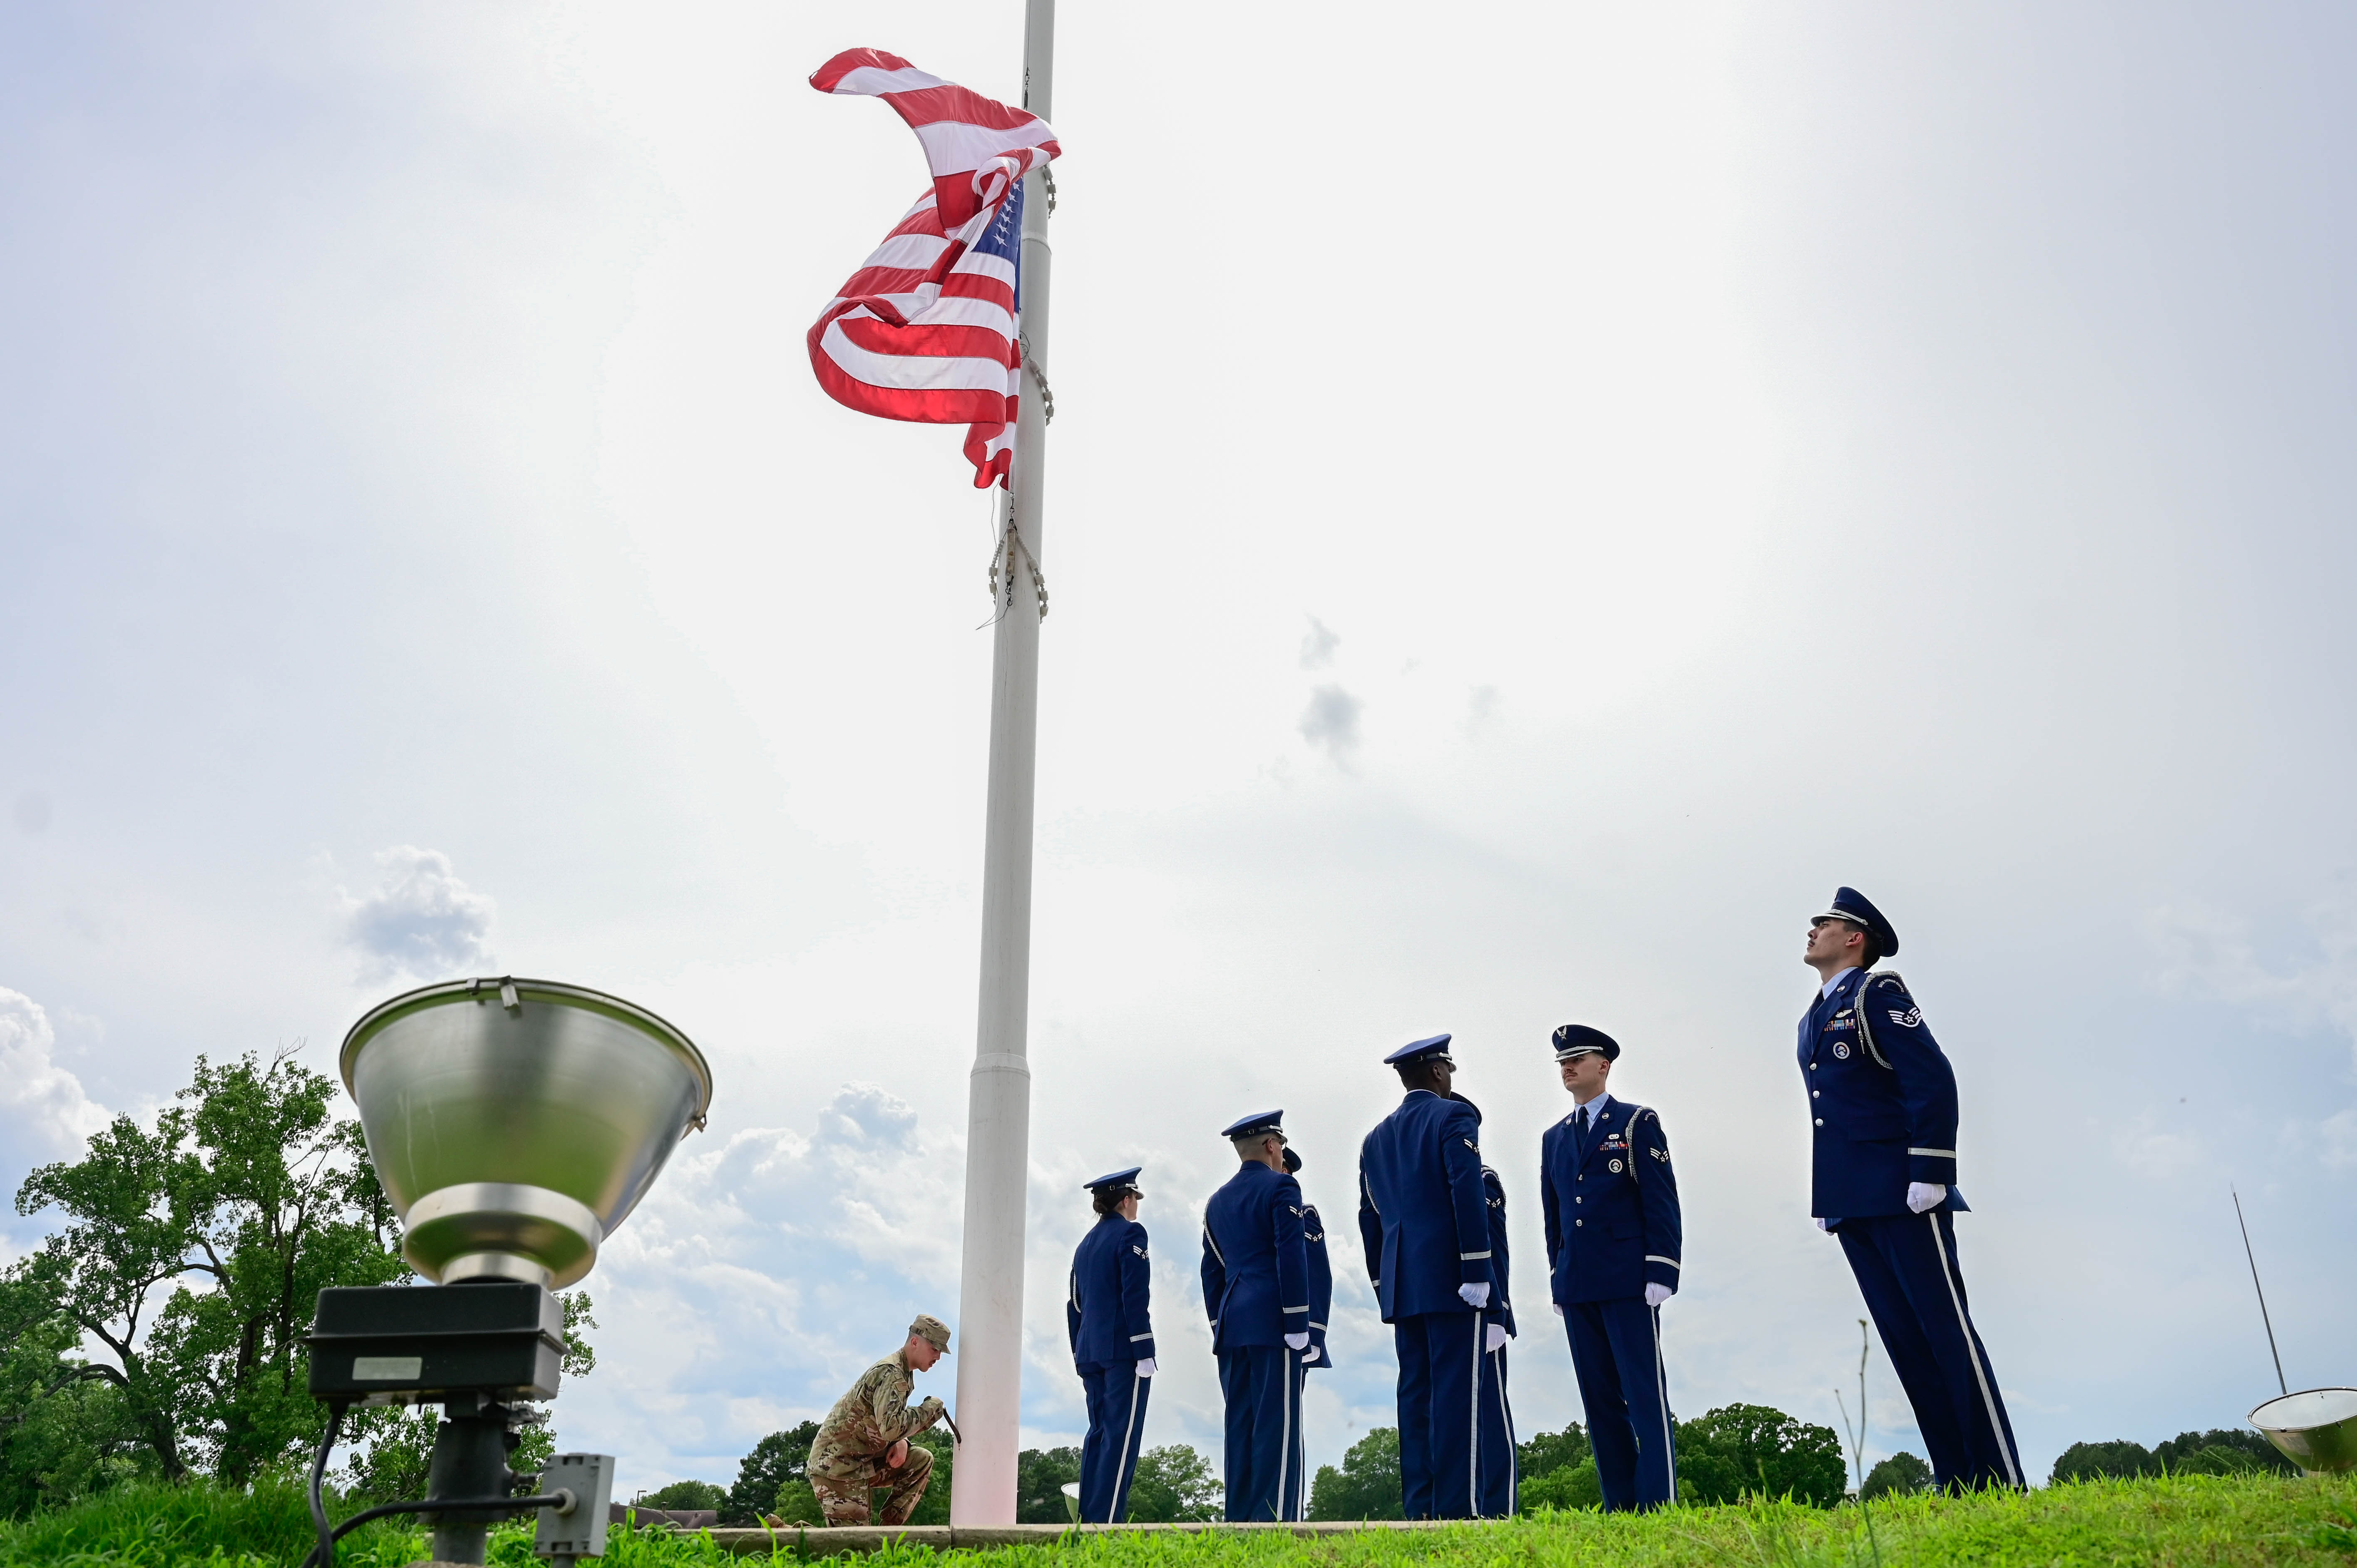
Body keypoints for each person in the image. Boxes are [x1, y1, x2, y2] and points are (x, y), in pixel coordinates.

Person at [1801, 888, 2022, 1490]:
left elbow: (1931, 1077)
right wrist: (1828, 1197)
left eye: (1825, 921)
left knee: (1944, 1333)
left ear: (1855, 938)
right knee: (1905, 1344)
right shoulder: (1813, 1015)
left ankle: (1998, 1476)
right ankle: (1956, 1477)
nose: (1813, 927)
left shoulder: (1877, 993)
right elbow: (1829, 1112)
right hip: (1853, 1202)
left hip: (1904, 1192)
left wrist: (1930, 1171)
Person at [1539, 1025, 1682, 1511]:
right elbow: (1553, 1215)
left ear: (1603, 1065)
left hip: (1628, 1280)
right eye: (1562, 1060)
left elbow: (1660, 1198)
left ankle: (1658, 1502)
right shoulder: (1553, 1138)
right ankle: (1619, 1504)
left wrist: (1662, 1269)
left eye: (1577, 1058)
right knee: (1598, 1400)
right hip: (1579, 1281)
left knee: (1643, 1394)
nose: (1567, 1066)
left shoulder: (1634, 1121)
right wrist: (1557, 1277)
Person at [1356, 1034, 1494, 1520]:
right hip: (1450, 1276)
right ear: (1437, 1072)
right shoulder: (1454, 1117)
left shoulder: (1374, 1138)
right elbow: (1465, 1192)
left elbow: (1369, 1217)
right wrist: (1478, 1266)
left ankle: (1419, 1508)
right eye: (1448, 1070)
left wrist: (1381, 1284)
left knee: (1414, 1398)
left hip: (1401, 1281)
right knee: (1456, 1395)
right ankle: (1458, 1507)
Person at [1201, 1110, 1313, 1522]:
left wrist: (1219, 1323)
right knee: (1276, 1429)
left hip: (1233, 1326)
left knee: (1241, 1428)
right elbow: (1291, 1256)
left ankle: (1240, 1519)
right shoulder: (1283, 1186)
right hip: (1273, 1323)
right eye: (1280, 1144)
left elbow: (1211, 1272)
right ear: (1272, 1145)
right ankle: (1276, 1521)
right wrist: (1298, 1322)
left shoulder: (1217, 1201)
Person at [1067, 1166, 1157, 1523]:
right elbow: (1135, 1296)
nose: (1136, 1205)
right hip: (1123, 1352)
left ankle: (1088, 1516)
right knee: (1121, 1437)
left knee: (1099, 1434)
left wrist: (1079, 1350)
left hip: (1091, 1350)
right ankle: (1105, 1522)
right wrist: (1144, 1348)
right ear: (1125, 1199)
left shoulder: (1084, 1245)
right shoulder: (1131, 1234)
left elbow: (1074, 1304)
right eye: (1135, 1198)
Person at [805, 1315, 953, 1526]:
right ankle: (784, 1534)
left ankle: (887, 1534)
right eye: (935, 1349)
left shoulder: (904, 1373)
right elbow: (891, 1428)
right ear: (915, 1342)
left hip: (862, 1460)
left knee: (920, 1460)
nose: (938, 1357)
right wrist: (929, 1411)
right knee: (852, 1550)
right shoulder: (891, 1373)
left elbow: (884, 1422)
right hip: (837, 1467)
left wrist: (901, 1442)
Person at [1283, 1144, 1335, 1522]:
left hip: (1293, 1335)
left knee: (1286, 1423)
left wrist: (1313, 1334)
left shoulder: (1303, 1214)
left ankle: (1288, 1513)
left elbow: (1317, 1274)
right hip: (1258, 1331)